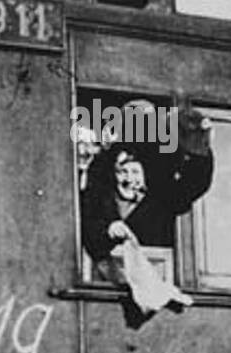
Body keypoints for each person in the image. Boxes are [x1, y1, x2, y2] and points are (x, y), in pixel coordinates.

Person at [80, 105, 214, 325]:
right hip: (104, 298)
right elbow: (87, 225)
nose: (128, 179)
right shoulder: (99, 198)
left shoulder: (161, 199)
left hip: (156, 311)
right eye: (122, 171)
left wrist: (199, 146)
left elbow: (192, 187)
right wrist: (108, 229)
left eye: (135, 172)